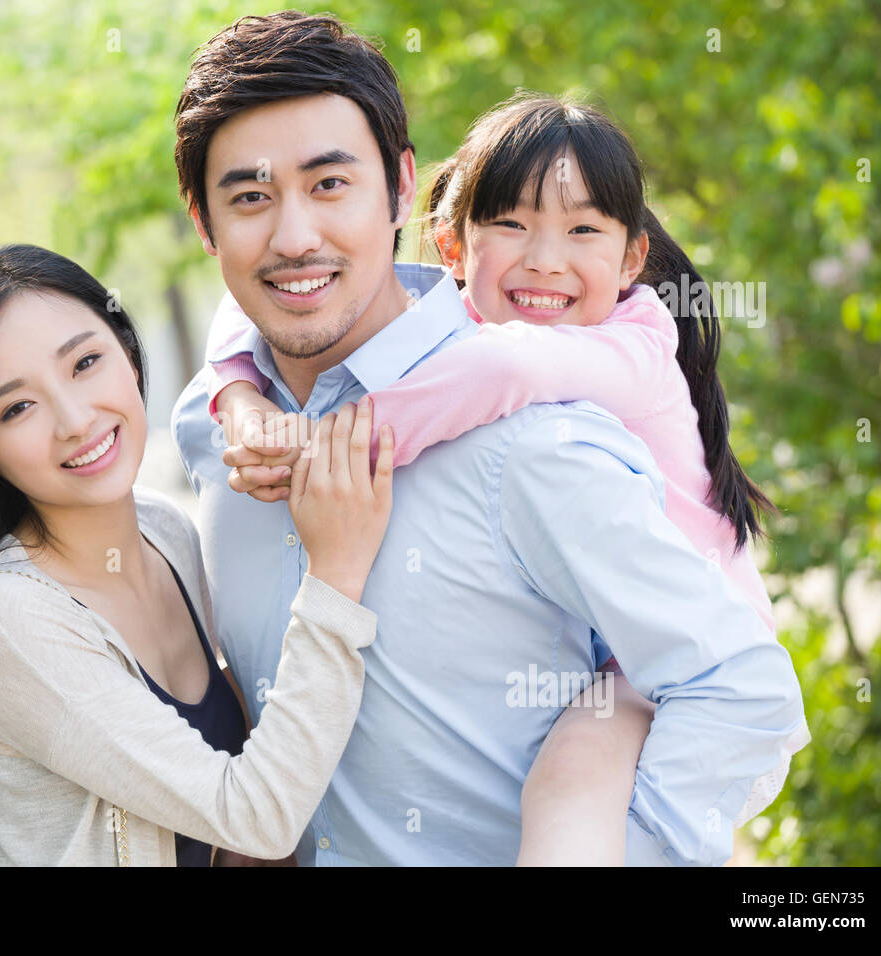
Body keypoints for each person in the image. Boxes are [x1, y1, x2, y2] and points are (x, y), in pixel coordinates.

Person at [170, 11, 810, 865]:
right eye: (250, 197)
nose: (293, 237)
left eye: (330, 185)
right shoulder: (218, 432)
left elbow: (743, 690)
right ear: (204, 222)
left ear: (401, 189)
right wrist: (239, 404)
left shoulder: (533, 434)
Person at [0, 243, 395, 866]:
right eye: (17, 407)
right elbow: (256, 816)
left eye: (85, 362)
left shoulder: (166, 535)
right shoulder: (8, 620)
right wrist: (335, 574)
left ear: (129, 356)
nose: (76, 420)